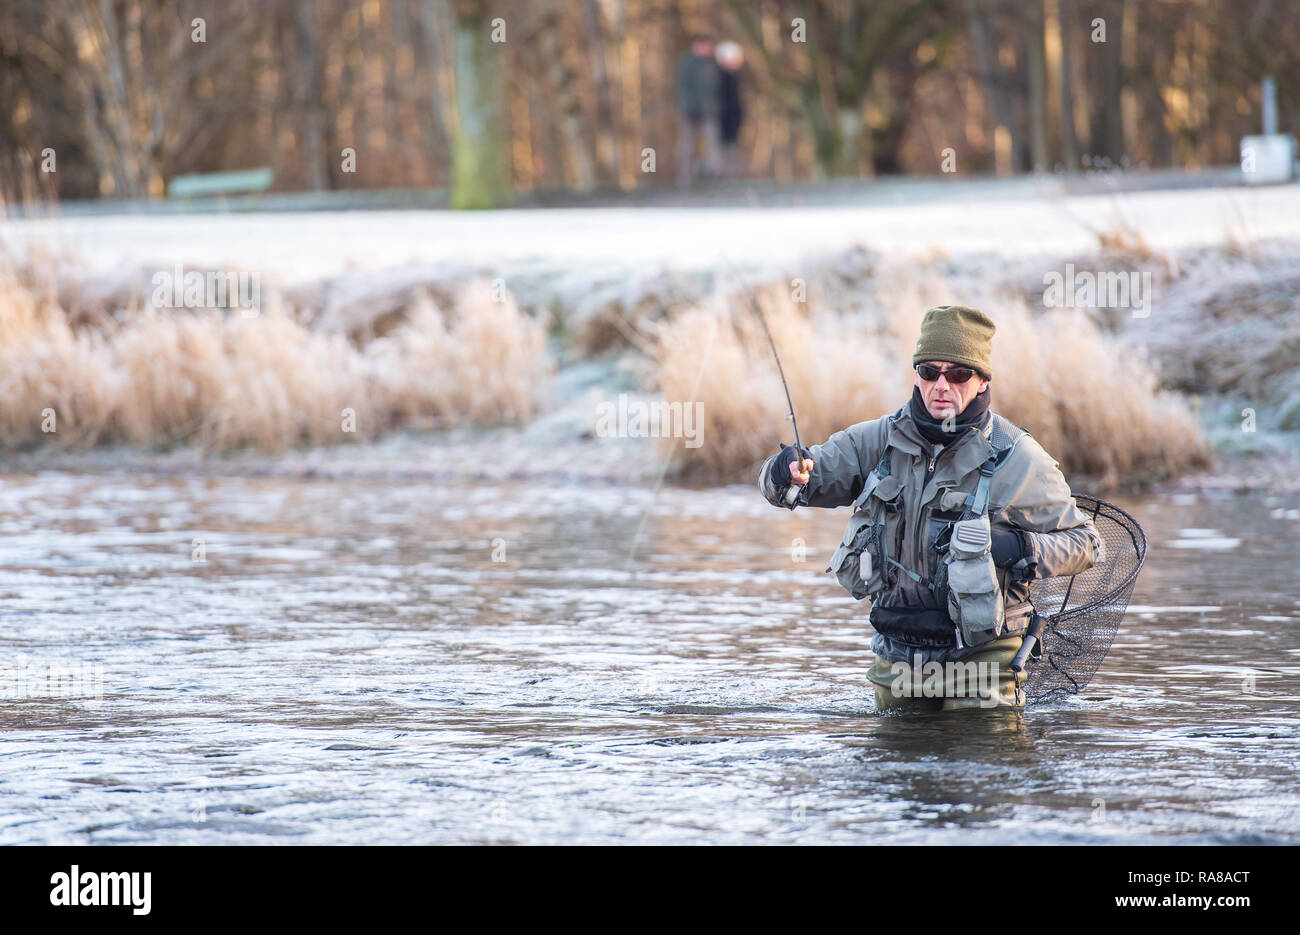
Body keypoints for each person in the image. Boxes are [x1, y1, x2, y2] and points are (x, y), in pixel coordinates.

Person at [757, 306, 1102, 712]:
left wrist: (1020, 547)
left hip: (985, 659)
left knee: (981, 765)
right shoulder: (877, 440)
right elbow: (784, 487)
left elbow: (1086, 544)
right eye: (928, 372)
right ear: (916, 375)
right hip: (898, 655)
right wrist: (784, 470)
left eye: (957, 374)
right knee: (892, 769)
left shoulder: (1018, 457)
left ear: (982, 381)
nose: (941, 385)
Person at [674, 35, 721, 188]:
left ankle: (713, 175)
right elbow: (682, 87)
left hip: (709, 111)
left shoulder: (711, 64)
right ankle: (684, 177)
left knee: (712, 143)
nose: (708, 50)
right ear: (696, 46)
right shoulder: (687, 64)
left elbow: (715, 89)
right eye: (705, 46)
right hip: (689, 111)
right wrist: (688, 106)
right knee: (687, 145)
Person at [715, 40, 744, 179]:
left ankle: (732, 174)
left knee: (732, 144)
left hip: (733, 115)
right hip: (721, 115)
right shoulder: (717, 76)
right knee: (719, 145)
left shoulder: (737, 75)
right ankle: (719, 174)